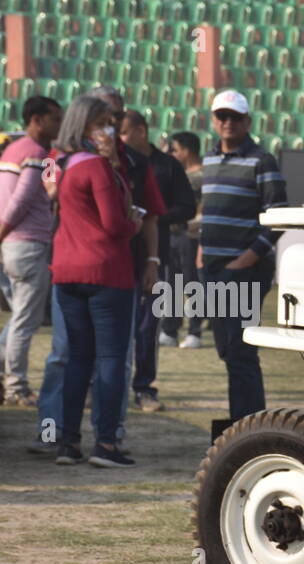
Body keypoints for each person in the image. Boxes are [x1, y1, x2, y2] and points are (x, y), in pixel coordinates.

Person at [48, 95, 142, 467]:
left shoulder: (60, 161)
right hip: (105, 271)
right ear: (86, 124)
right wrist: (133, 222)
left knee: (77, 360)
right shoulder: (98, 168)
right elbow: (115, 225)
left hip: (67, 270)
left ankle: (67, 442)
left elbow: (48, 191)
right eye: (103, 121)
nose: (111, 128)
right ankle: (106, 444)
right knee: (110, 359)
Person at [198, 89, 288, 423]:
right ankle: (244, 424)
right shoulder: (208, 160)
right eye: (222, 116)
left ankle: (246, 425)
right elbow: (208, 212)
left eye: (235, 117)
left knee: (239, 352)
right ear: (213, 120)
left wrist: (245, 261)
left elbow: (276, 217)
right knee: (227, 349)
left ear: (247, 121)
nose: (228, 122)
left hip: (244, 271)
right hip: (214, 267)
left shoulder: (262, 160)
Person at [88, 86, 166, 443]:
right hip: (75, 271)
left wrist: (151, 259)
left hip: (124, 270)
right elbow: (49, 192)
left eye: (116, 117)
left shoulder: (137, 163)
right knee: (67, 357)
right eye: (103, 116)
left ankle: (110, 434)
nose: (111, 124)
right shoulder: (66, 157)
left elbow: (146, 215)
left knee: (118, 356)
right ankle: (60, 434)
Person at [120, 109, 194, 412]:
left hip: (155, 257)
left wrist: (155, 218)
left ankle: (144, 389)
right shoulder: (115, 163)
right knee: (114, 326)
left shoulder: (167, 166)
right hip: (117, 257)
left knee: (148, 328)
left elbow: (187, 207)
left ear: (141, 130)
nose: (119, 138)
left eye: (124, 131)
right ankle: (104, 388)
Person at [0, 96, 61, 409]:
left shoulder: (15, 149)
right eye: (54, 118)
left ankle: (7, 376)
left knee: (19, 318)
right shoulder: (36, 153)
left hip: (14, 246)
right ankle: (16, 386)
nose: (59, 124)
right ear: (37, 120)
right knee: (25, 320)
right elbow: (21, 200)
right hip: (27, 243)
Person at [162, 130, 205, 348]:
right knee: (171, 283)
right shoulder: (180, 174)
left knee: (192, 284)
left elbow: (204, 211)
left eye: (175, 150)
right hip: (174, 235)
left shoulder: (202, 177)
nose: (172, 153)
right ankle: (169, 330)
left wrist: (190, 225)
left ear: (187, 151)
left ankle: (194, 331)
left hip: (192, 237)